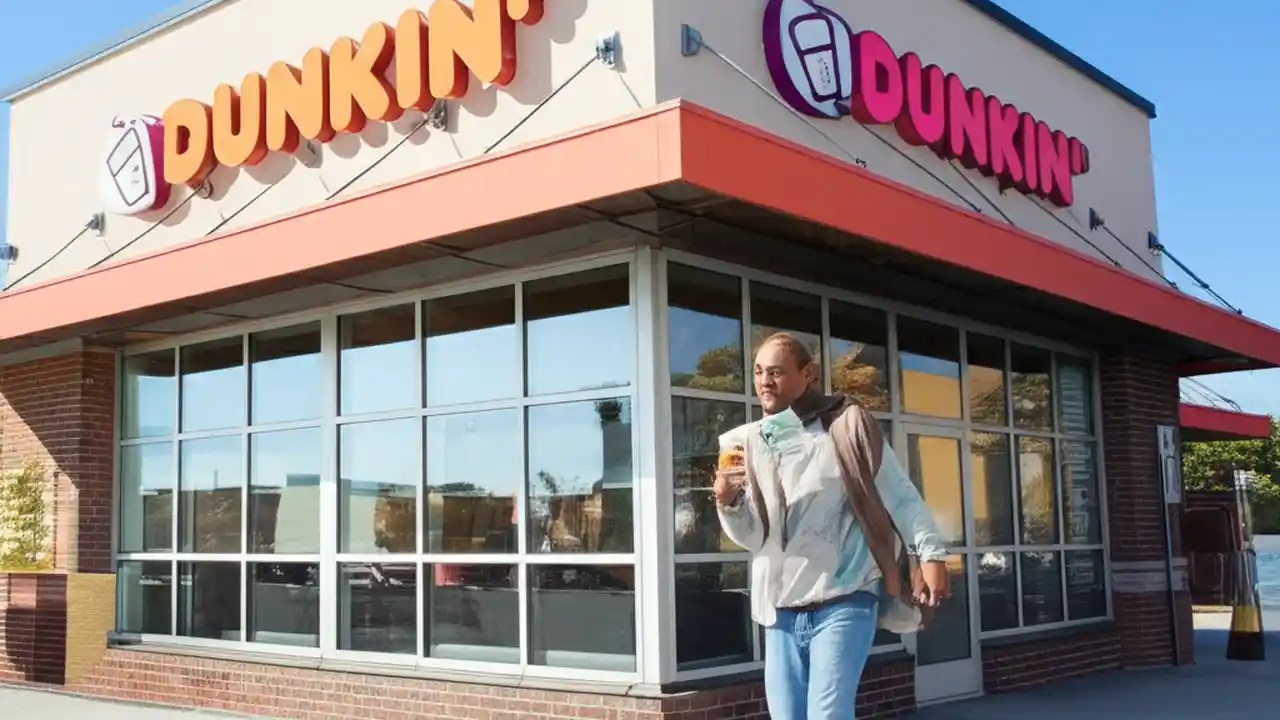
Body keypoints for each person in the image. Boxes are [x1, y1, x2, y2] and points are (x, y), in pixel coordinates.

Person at [714, 333, 950, 720]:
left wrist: (930, 552)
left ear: (808, 374)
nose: (764, 381)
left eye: (776, 371)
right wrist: (729, 501)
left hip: (846, 597)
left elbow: (900, 495)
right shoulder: (751, 442)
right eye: (759, 372)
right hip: (781, 609)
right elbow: (754, 538)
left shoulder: (847, 425)